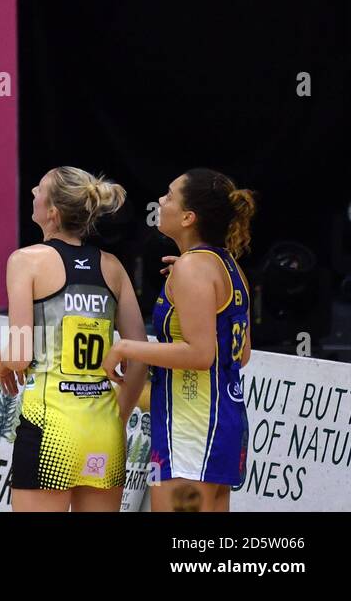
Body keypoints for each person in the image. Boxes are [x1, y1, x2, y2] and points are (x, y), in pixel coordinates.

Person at [102, 168, 256, 512]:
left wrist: (126, 346)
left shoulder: (193, 269)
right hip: (222, 422)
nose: (160, 201)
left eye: (169, 196)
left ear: (188, 217)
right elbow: (240, 355)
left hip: (192, 427)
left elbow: (201, 354)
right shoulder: (227, 265)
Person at [0, 167, 148, 511]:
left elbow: (20, 355)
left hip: (49, 430)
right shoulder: (112, 266)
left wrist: (5, 360)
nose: (33, 189)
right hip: (103, 432)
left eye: (41, 187)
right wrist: (117, 417)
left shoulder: (26, 261)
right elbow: (139, 355)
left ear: (52, 213)